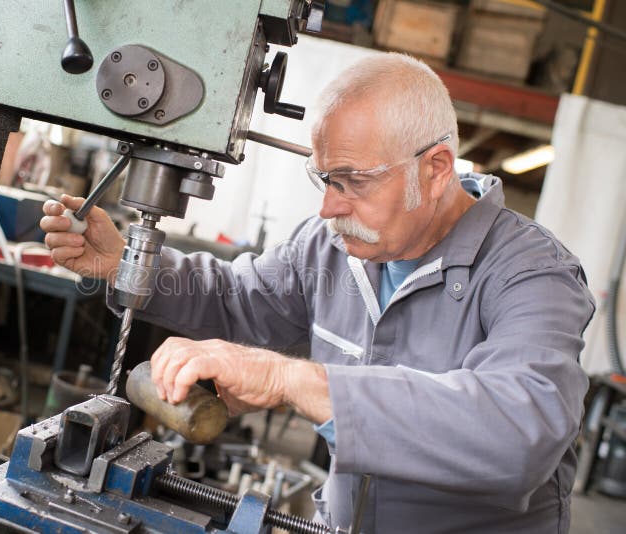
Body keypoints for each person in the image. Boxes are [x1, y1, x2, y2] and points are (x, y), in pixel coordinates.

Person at [40, 52, 595, 533]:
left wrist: (287, 378)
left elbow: (520, 432)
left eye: (352, 182)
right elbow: (237, 299)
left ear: (434, 170)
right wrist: (125, 265)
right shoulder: (330, 247)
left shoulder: (531, 273)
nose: (329, 208)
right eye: (325, 180)